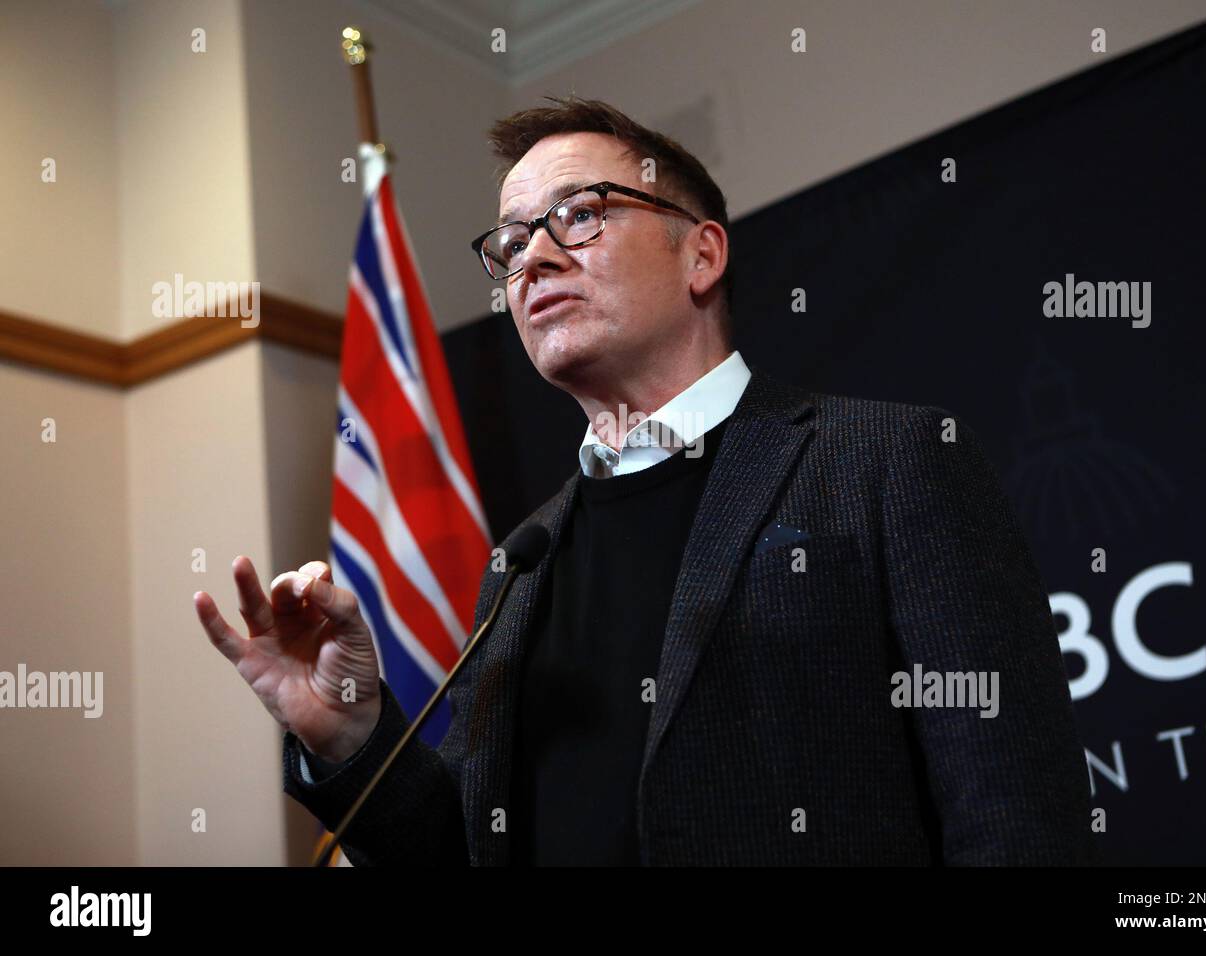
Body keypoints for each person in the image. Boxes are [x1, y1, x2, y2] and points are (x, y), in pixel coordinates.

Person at [194, 96, 1094, 866]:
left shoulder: (886, 463)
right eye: (511, 243)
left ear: (701, 255)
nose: (533, 259)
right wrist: (349, 733)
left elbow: (1017, 817)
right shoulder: (520, 568)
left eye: (579, 214)